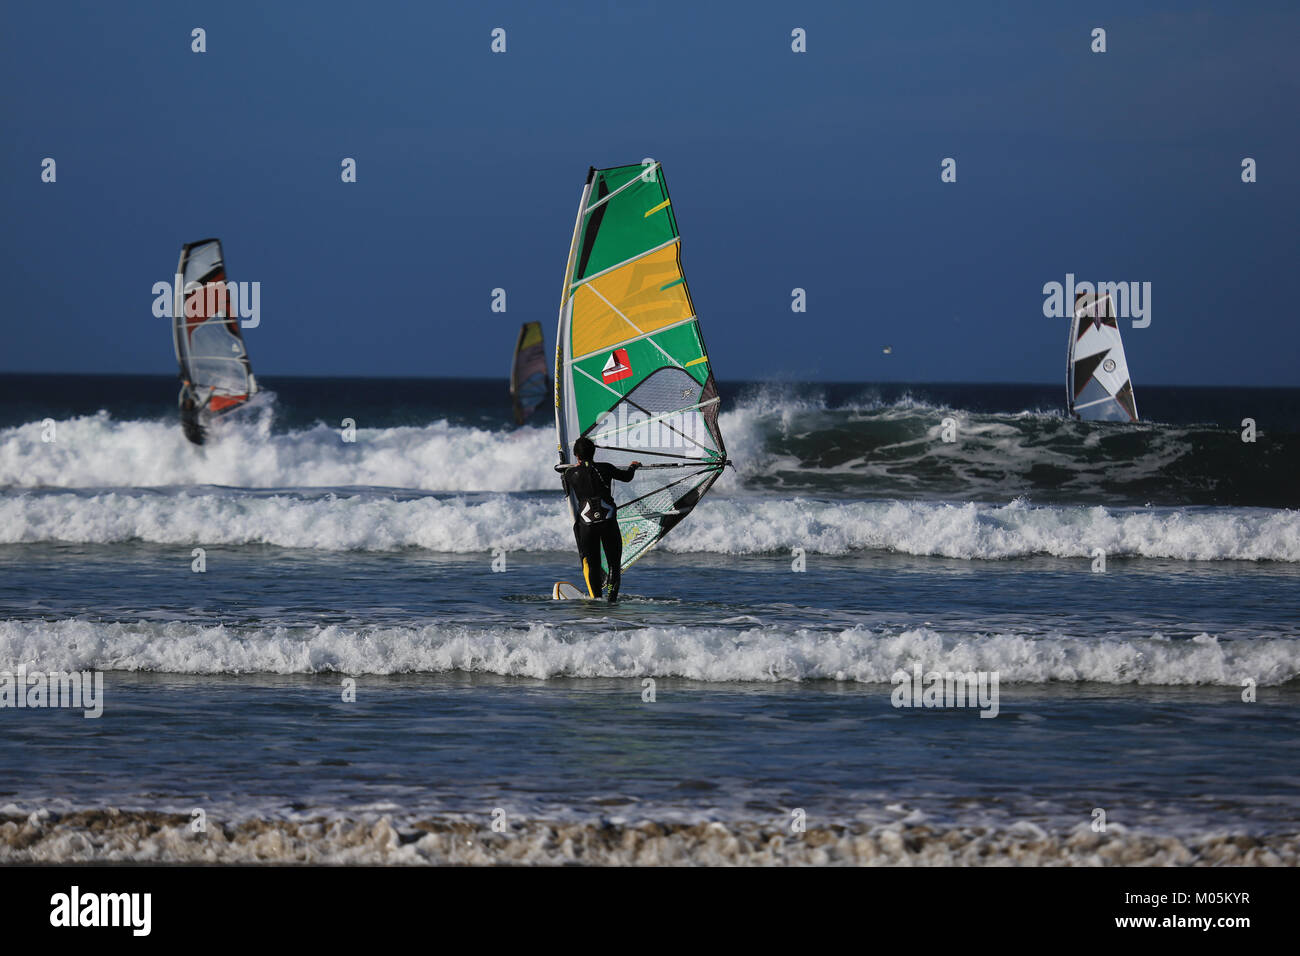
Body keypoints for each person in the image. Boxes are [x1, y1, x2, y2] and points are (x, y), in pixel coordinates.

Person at [557, 436, 639, 602]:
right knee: (613, 565)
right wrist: (633, 467)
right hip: (608, 523)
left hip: (587, 526)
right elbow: (626, 477)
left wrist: (565, 469)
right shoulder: (606, 468)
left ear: (576, 456)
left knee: (593, 565)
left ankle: (596, 600)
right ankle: (611, 600)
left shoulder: (570, 473)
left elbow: (567, 487)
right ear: (594, 452)